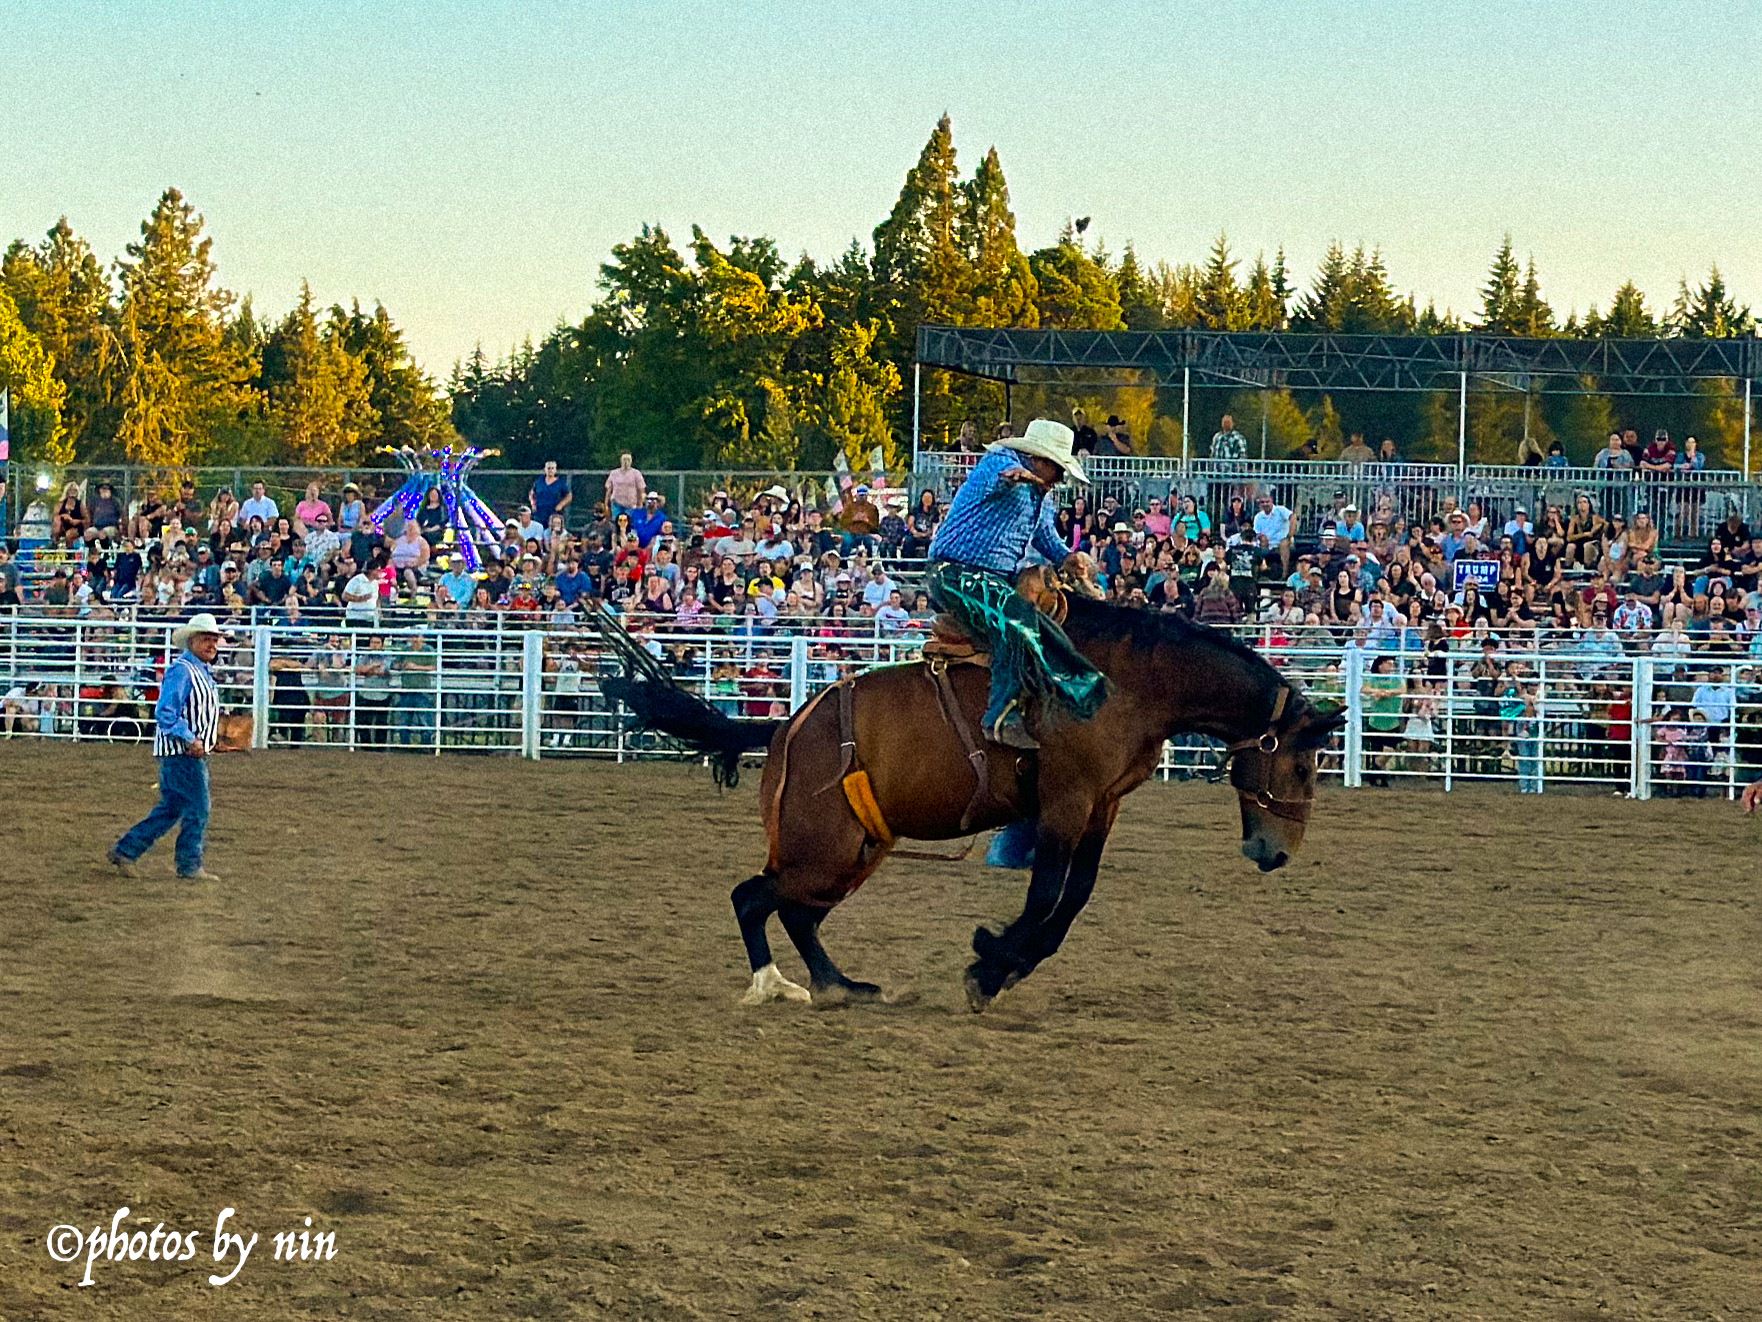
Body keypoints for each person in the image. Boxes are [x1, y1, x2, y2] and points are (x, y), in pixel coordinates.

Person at [926, 418, 1107, 749]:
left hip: (993, 577)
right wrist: (1014, 478)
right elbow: (998, 480)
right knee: (1016, 619)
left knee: (1043, 620)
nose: (1061, 478)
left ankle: (1083, 691)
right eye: (1059, 470)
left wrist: (1068, 558)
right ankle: (1000, 715)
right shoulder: (999, 463)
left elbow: (1046, 538)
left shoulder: (1040, 495)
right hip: (954, 573)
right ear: (1041, 461)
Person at [108, 613, 227, 881]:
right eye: (207, 639)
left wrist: (206, 739)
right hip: (182, 752)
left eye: (214, 640)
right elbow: (166, 712)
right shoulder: (184, 670)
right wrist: (190, 738)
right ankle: (188, 865)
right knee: (198, 807)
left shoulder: (195, 670)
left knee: (172, 808)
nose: (212, 645)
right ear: (192, 641)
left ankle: (127, 849)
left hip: (181, 751)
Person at [531, 459, 573, 529]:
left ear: (555, 470)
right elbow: (532, 493)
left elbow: (569, 496)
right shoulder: (539, 482)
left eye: (552, 468)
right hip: (539, 513)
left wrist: (561, 505)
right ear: (545, 469)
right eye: (548, 468)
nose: (550, 470)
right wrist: (533, 504)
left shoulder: (560, 483)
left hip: (554, 514)